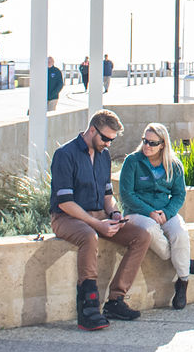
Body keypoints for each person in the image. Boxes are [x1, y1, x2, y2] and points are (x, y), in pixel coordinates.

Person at [49, 109, 150, 330]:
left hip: (98, 216)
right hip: (67, 217)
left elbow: (107, 196)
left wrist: (114, 214)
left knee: (141, 236)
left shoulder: (104, 156)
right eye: (105, 138)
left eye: (112, 140)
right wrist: (96, 224)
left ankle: (115, 300)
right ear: (92, 130)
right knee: (89, 235)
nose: (108, 144)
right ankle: (89, 307)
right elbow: (65, 202)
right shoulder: (65, 154)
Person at [119, 122, 194, 310]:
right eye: (145, 141)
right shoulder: (132, 162)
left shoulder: (174, 165)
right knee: (150, 229)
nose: (147, 146)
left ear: (162, 144)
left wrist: (166, 212)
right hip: (138, 212)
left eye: (152, 143)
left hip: (164, 211)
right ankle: (182, 260)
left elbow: (179, 195)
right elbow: (127, 194)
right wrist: (149, 212)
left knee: (180, 233)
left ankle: (183, 282)